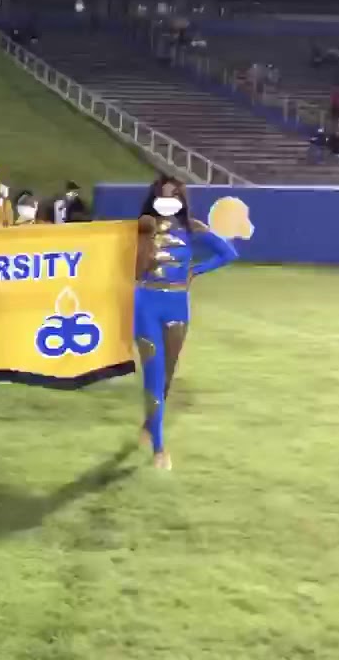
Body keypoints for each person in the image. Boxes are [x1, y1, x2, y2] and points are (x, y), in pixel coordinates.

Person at [134, 174, 238, 470]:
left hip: (177, 306)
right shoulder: (142, 228)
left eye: (174, 194)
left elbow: (228, 253)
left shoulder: (192, 229)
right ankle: (159, 448)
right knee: (154, 374)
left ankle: (150, 424)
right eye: (163, 194)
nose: (169, 199)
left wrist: (196, 271)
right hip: (146, 303)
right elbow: (126, 265)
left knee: (167, 376)